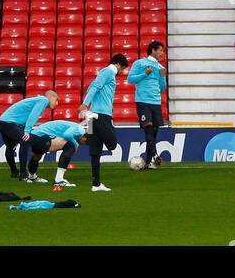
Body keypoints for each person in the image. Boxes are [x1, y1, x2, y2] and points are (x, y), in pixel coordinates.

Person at [80, 53, 129, 192]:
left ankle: (96, 184)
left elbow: (91, 88)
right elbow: (94, 87)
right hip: (101, 115)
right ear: (119, 64)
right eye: (122, 69)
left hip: (92, 117)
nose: (121, 72)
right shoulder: (108, 72)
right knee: (112, 144)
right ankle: (90, 121)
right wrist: (85, 104)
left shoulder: (104, 73)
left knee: (95, 151)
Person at [0, 90, 57, 180]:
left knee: (10, 147)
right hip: (10, 122)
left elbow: (24, 115)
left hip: (3, 122)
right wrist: (27, 131)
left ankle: (14, 172)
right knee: (25, 141)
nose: (57, 103)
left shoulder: (37, 100)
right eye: (56, 100)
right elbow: (33, 115)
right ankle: (23, 174)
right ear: (51, 97)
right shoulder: (43, 100)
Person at [127, 41, 167, 168]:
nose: (162, 53)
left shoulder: (160, 68)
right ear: (153, 50)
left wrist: (163, 78)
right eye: (160, 50)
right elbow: (130, 79)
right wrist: (145, 74)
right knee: (148, 128)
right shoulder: (140, 63)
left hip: (156, 102)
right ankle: (155, 155)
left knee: (154, 131)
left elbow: (162, 88)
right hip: (143, 101)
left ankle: (149, 162)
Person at [25, 119, 88, 190]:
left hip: (34, 135)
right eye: (85, 143)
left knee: (37, 156)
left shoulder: (73, 127)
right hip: (42, 136)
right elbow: (67, 135)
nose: (83, 144)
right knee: (70, 145)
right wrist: (75, 144)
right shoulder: (80, 129)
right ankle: (59, 180)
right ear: (84, 138)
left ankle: (31, 177)